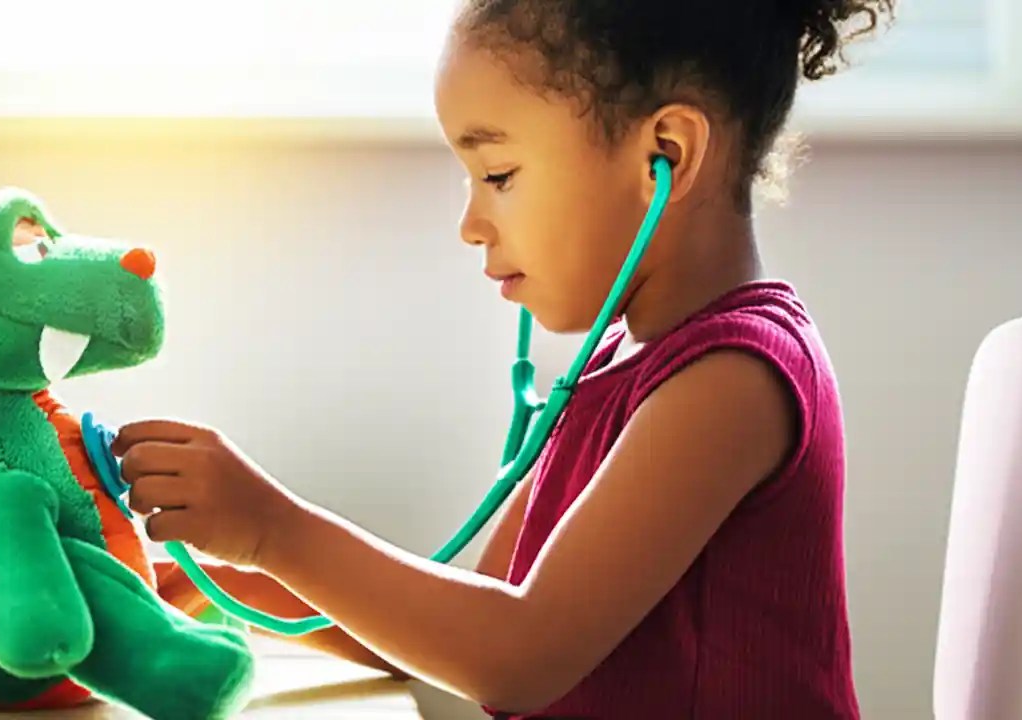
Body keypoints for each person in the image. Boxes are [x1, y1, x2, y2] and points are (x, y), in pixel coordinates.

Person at [117, 0, 894, 716]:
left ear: (665, 153)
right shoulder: (620, 368)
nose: (471, 222)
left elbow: (519, 654)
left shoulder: (731, 384)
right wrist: (215, 579)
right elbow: (461, 616)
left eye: (498, 175)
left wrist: (273, 529)